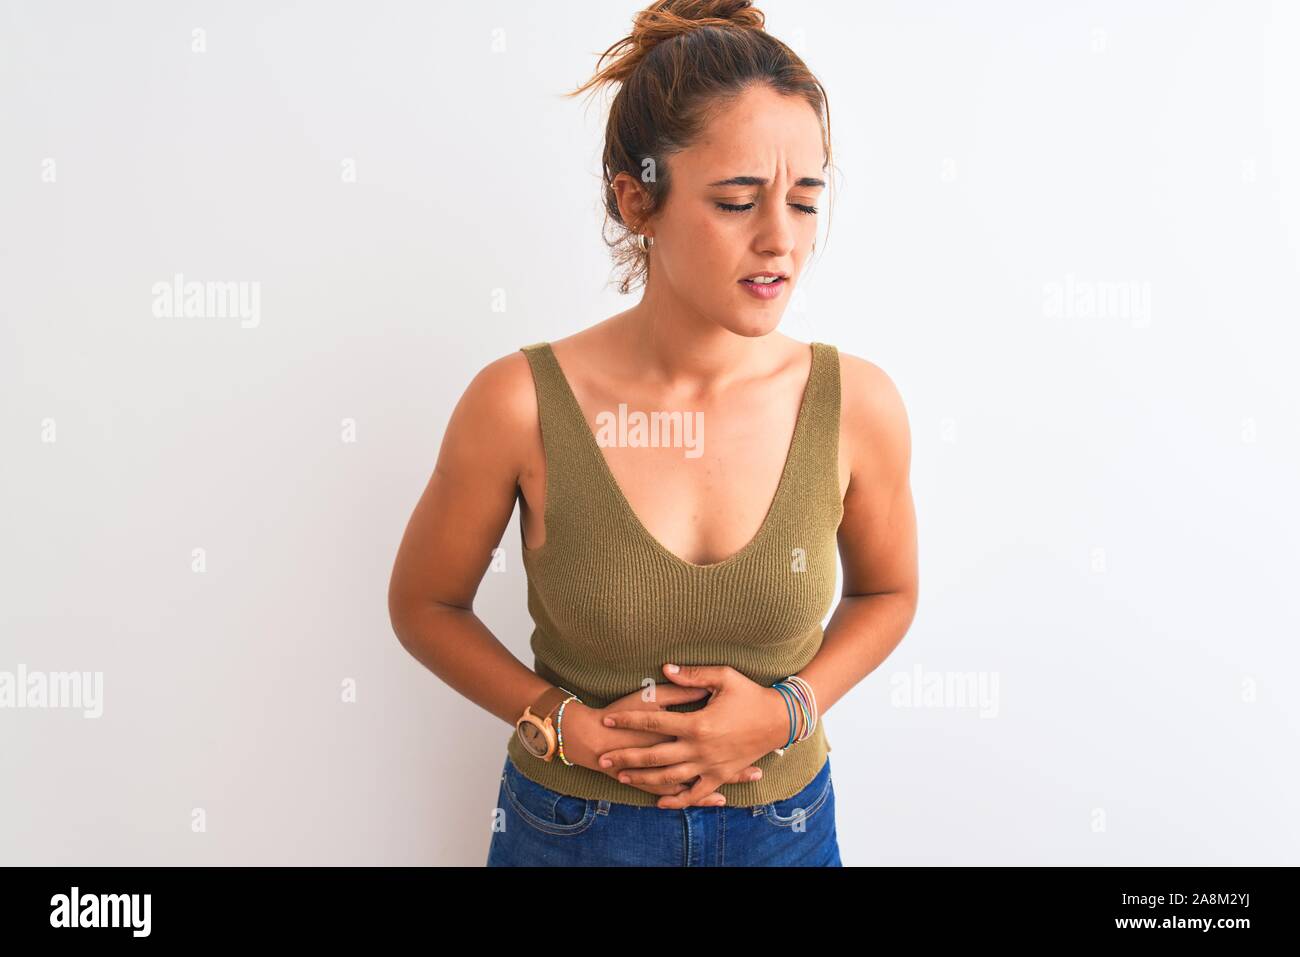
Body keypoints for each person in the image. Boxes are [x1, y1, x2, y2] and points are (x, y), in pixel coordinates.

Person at [388, 0, 918, 866]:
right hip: (570, 832)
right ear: (637, 201)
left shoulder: (856, 403)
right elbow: (425, 604)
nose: (781, 239)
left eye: (807, 198)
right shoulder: (516, 402)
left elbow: (888, 593)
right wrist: (561, 724)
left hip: (784, 832)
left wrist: (791, 708)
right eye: (738, 200)